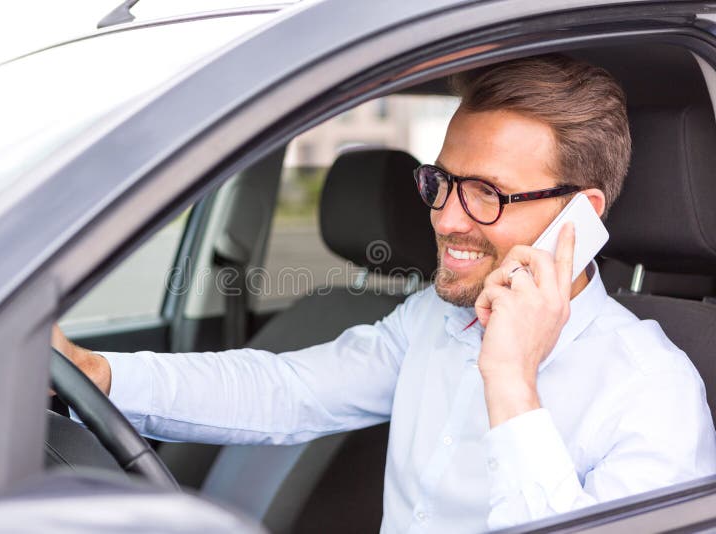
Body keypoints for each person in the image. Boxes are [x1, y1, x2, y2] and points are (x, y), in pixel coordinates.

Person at [53, 54, 716, 533]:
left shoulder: (652, 393)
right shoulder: (433, 318)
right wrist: (102, 375)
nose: (447, 218)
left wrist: (512, 382)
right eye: (443, 182)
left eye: (488, 194)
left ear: (583, 216)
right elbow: (289, 391)